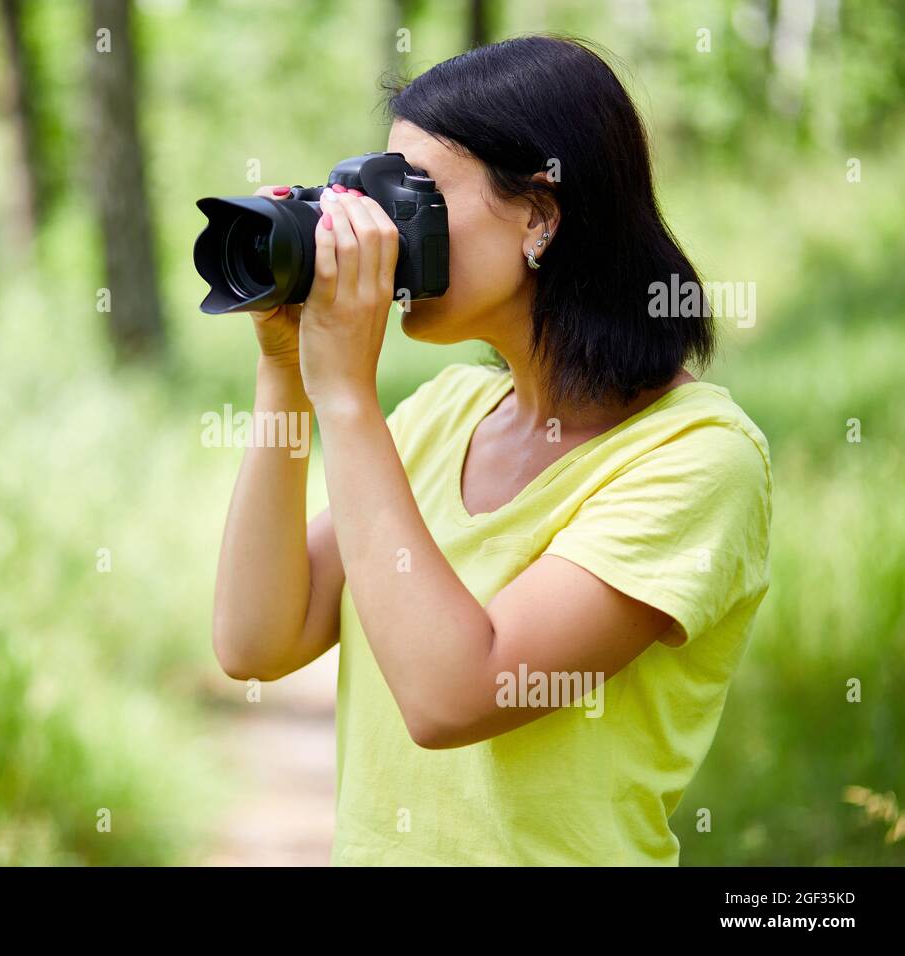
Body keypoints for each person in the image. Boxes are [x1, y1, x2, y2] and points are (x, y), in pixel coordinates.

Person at [211, 36, 773, 865]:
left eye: (417, 195)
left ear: (540, 215)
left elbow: (453, 697)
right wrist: (285, 371)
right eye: (376, 189)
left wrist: (347, 398)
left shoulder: (697, 459)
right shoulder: (447, 413)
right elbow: (256, 641)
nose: (386, 231)